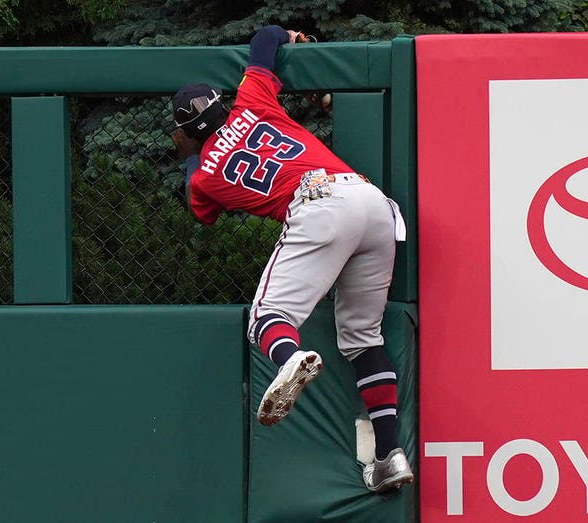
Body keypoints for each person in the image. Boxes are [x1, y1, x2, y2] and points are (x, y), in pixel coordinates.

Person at [170, 24, 413, 493]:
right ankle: (389, 455)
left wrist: (192, 153)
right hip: (369, 201)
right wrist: (291, 35)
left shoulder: (203, 178)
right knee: (364, 338)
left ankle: (289, 357)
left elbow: (198, 208)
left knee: (266, 316)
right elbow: (265, 38)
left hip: (318, 206)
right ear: (222, 105)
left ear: (186, 131)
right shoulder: (251, 102)